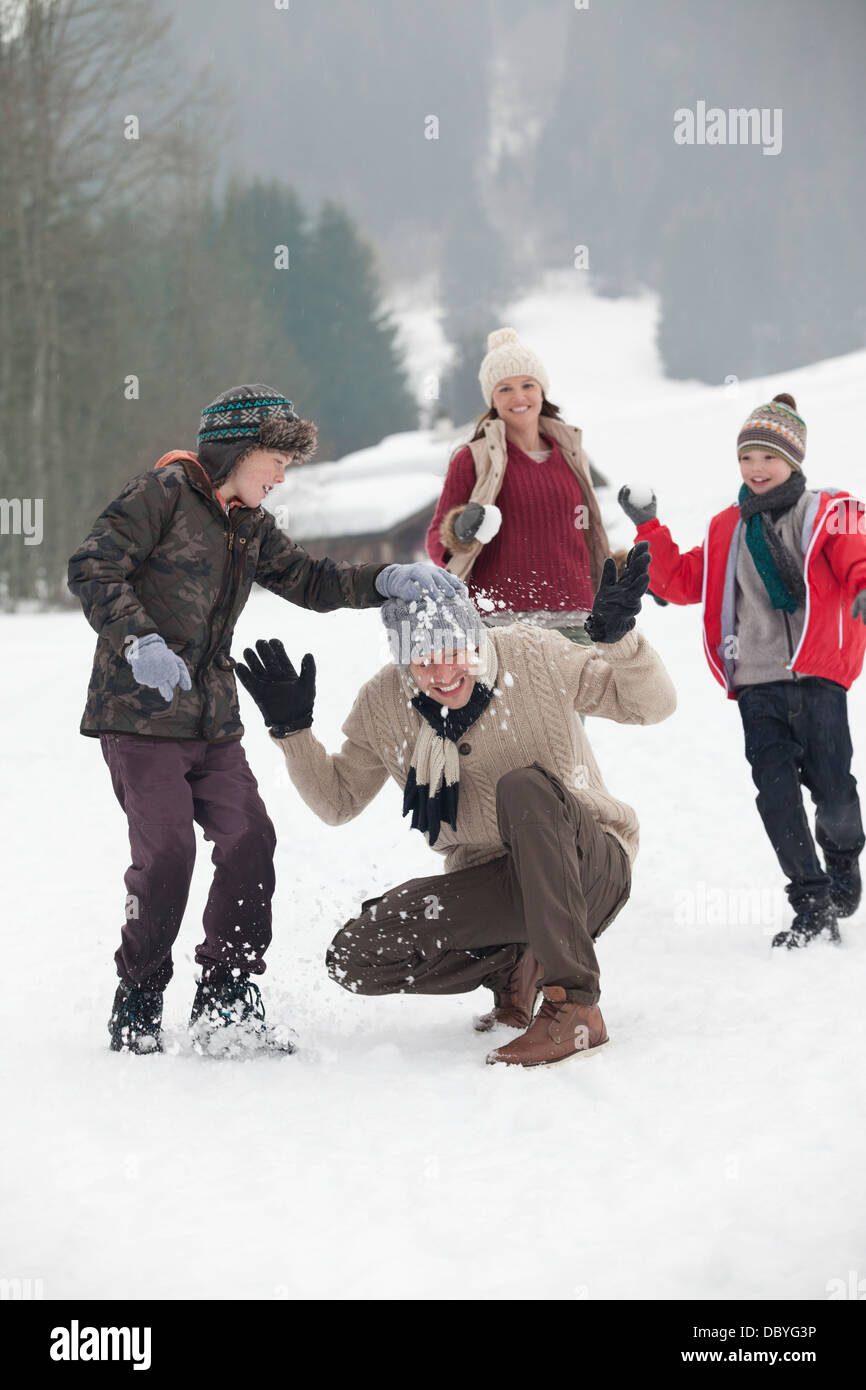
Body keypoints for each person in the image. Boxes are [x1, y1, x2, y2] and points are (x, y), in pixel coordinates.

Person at [67, 383, 465, 1056]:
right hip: (139, 717)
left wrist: (386, 580)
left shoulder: (248, 522)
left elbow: (310, 580)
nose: (282, 476)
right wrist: (140, 640)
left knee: (250, 838)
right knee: (167, 854)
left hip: (213, 719)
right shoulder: (163, 493)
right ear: (238, 450)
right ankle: (138, 990)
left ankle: (226, 991)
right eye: (276, 460)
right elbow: (93, 566)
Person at [235, 543, 676, 1068]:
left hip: (588, 868)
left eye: (454, 652)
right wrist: (292, 731)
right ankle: (512, 966)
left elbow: (650, 706)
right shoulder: (383, 703)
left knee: (524, 788)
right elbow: (338, 801)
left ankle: (574, 1005)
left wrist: (620, 641)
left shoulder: (533, 655)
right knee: (357, 955)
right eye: (423, 661)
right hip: (497, 885)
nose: (443, 674)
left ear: (475, 637)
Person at [618, 392, 866, 949]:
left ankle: (843, 854)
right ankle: (811, 902)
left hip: (818, 675)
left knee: (835, 793)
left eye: (768, 458)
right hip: (756, 681)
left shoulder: (826, 509)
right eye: (746, 458)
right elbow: (683, 579)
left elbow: (856, 553)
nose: (756, 469)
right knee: (775, 795)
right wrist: (649, 528)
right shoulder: (728, 527)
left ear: (794, 461)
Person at [425, 327, 612, 647]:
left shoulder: (572, 454)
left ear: (542, 391)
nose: (519, 397)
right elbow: (437, 544)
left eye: (528, 385)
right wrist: (461, 530)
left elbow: (585, 531)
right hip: (500, 620)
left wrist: (614, 577)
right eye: (505, 389)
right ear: (492, 399)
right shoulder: (473, 459)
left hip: (576, 619)